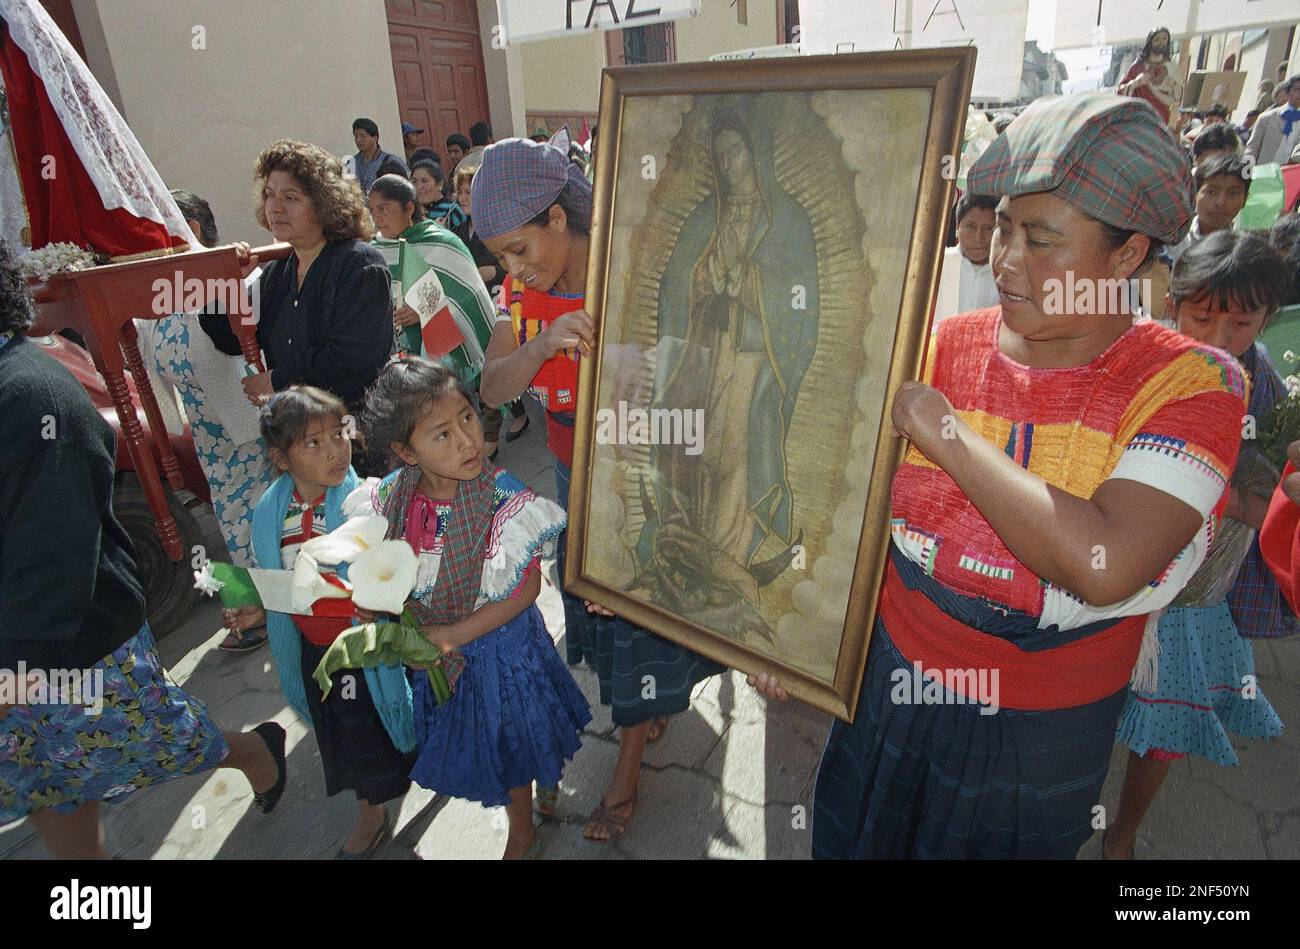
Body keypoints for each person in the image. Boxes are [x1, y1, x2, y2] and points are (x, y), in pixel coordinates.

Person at [752, 92, 1249, 859]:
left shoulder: (1194, 385)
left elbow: (1103, 561)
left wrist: (942, 430)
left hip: (1037, 732)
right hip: (889, 686)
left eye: (1043, 240)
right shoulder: (943, 344)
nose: (1007, 259)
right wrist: (792, 620)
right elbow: (843, 504)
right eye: (1006, 227)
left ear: (1126, 255)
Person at [473, 133, 724, 842]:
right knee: (594, 602)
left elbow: (696, 379)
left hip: (643, 474)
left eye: (521, 248)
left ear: (559, 218)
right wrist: (539, 346)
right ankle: (647, 709)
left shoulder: (634, 272)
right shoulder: (517, 297)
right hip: (568, 474)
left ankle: (628, 764)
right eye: (500, 256)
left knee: (636, 612)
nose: (513, 267)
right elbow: (493, 387)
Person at [0, 242, 288, 858]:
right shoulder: (160, 315)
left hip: (63, 640)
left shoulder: (28, 395)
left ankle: (256, 698)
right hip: (212, 450)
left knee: (159, 738)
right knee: (41, 780)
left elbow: (55, 549)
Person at [355, 357, 590, 859]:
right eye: (441, 434)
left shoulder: (504, 499)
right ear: (404, 451)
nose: (466, 440)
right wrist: (377, 607)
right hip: (444, 656)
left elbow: (525, 591)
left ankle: (522, 831)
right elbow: (387, 568)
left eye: (466, 417)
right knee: (495, 740)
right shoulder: (394, 499)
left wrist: (451, 636)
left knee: (512, 741)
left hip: (502, 653)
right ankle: (536, 784)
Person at [1105, 231, 1289, 859]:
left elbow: (1268, 500)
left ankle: (1121, 835)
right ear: (1173, 303)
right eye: (1202, 317)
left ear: (1268, 318)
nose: (1219, 341)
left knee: (1165, 723)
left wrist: (1248, 498)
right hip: (1115, 567)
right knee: (1087, 696)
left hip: (1195, 592)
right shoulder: (1133, 359)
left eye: (1242, 322)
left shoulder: (1265, 388)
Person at [235, 386, 416, 859]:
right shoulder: (272, 514)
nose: (336, 449)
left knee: (389, 723)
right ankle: (372, 811)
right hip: (319, 655)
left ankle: (389, 798)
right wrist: (257, 605)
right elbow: (277, 585)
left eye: (339, 434)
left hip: (366, 648)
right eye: (313, 443)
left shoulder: (364, 502)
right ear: (280, 458)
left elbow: (391, 576)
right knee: (349, 737)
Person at [136, 189, 277, 652]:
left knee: (257, 522)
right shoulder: (165, 295)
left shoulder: (227, 280)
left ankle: (266, 613)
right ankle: (248, 608)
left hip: (250, 428)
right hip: (210, 436)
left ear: (190, 231)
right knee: (232, 521)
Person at [202, 140, 394, 477]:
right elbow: (231, 339)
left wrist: (276, 380)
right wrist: (226, 286)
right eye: (269, 195)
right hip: (304, 443)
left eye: (290, 197)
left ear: (324, 204)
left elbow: (355, 359)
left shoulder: (359, 265)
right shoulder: (278, 272)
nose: (275, 207)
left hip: (358, 438)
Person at [365, 173, 522, 458]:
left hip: (450, 340)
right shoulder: (376, 249)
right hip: (407, 346)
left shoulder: (440, 241)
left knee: (479, 384)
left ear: (409, 208)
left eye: (384, 208)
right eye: (372, 210)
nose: (377, 217)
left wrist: (424, 310)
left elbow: (466, 293)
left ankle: (502, 419)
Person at [1166, 153, 1251, 264]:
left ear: (1244, 200)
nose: (1221, 202)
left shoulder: (1246, 249)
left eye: (1233, 193)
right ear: (1194, 193)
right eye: (1211, 192)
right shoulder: (1172, 242)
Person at [933, 192, 1000, 325]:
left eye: (988, 229)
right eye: (970, 226)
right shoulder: (937, 265)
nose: (978, 237)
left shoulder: (1006, 274)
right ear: (957, 227)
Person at [1118, 27, 1183, 125]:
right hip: (1139, 118)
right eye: (1157, 39)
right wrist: (1136, 82)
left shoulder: (1171, 66)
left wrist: (1173, 85)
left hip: (1162, 119)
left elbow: (1177, 98)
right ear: (1150, 42)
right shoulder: (1138, 67)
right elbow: (1120, 93)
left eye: (1164, 39)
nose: (1161, 43)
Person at [1245, 75, 1300, 166]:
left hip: (1293, 176)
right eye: (1297, 90)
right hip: (1265, 174)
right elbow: (1251, 149)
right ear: (1287, 93)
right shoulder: (1266, 118)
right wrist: (1246, 175)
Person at [351, 118, 408, 193]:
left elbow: (407, 185)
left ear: (375, 138)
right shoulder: (351, 163)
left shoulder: (391, 161)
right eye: (356, 136)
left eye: (362, 136)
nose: (358, 140)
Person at [410, 158, 461, 227]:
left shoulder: (452, 211)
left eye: (424, 181)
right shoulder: (411, 211)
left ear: (439, 184)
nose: (418, 187)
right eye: (414, 182)